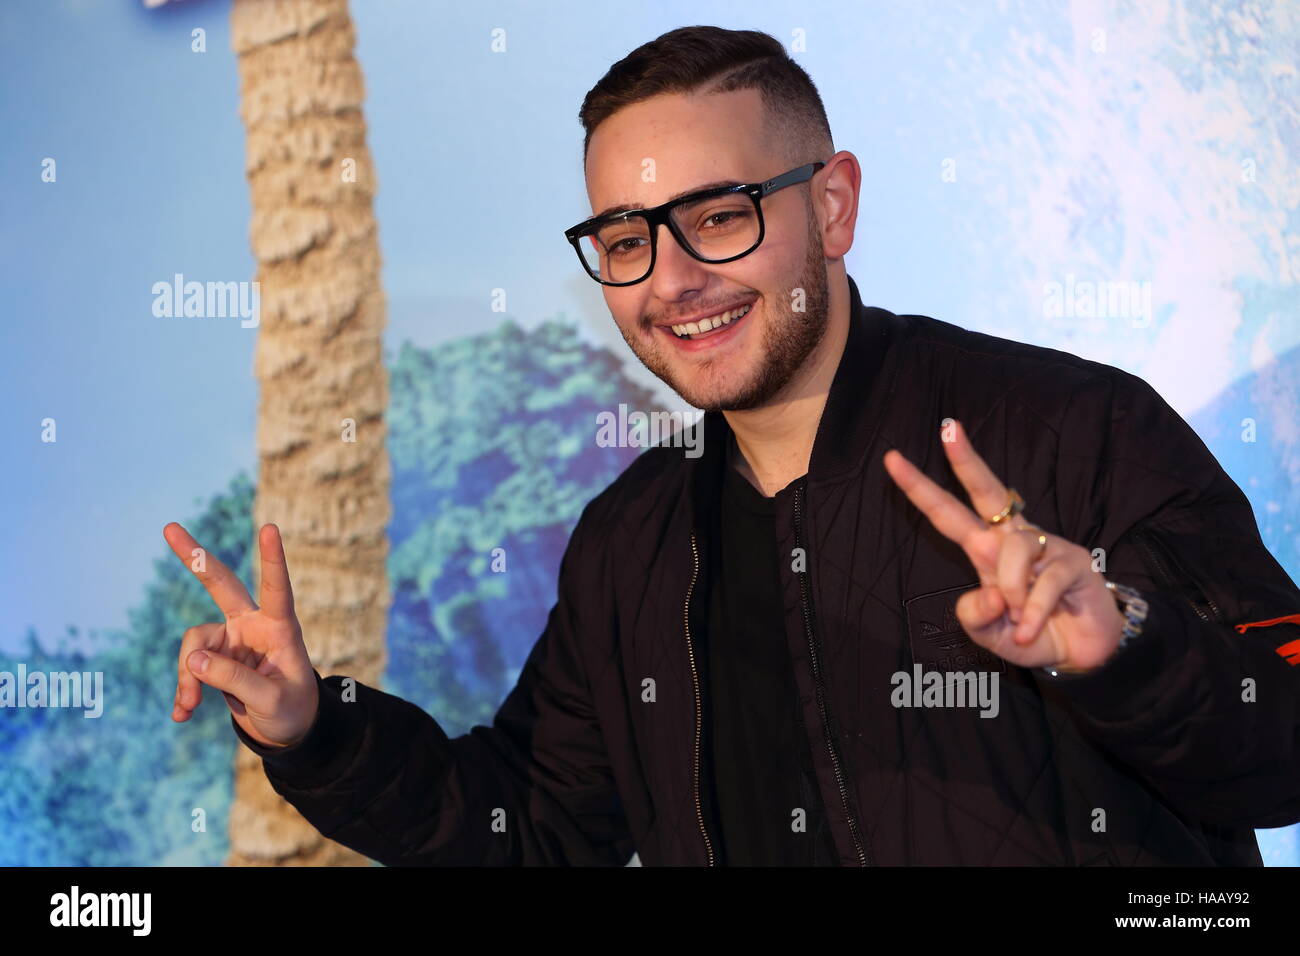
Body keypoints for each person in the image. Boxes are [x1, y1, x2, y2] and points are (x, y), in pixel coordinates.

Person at [166, 25, 1300, 865]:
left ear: (835, 207)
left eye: (717, 216)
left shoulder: (1074, 427)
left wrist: (1127, 645)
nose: (671, 278)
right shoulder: (631, 542)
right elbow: (533, 823)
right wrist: (316, 729)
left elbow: (1283, 740)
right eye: (624, 238)